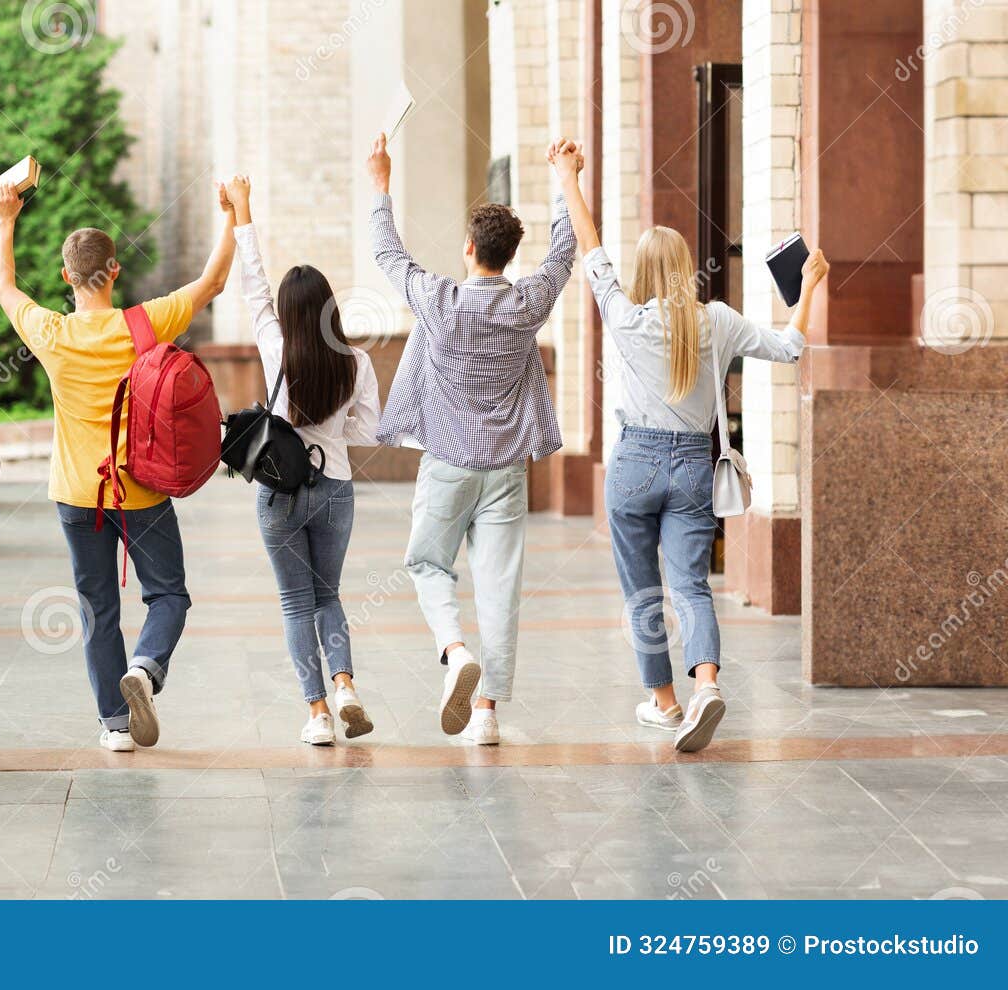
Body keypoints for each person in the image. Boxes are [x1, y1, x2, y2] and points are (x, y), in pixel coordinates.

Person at [552, 139, 828, 753]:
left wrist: (568, 175)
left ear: (645, 273)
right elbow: (788, 348)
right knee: (691, 585)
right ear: (684, 269)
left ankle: (665, 702)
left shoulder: (624, 315)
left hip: (632, 466)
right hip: (691, 468)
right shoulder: (719, 320)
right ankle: (706, 686)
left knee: (642, 590)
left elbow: (589, 243)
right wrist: (808, 285)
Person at [0, 179, 237, 752]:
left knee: (98, 608)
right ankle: (146, 669)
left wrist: (6, 218)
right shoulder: (144, 325)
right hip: (143, 489)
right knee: (168, 595)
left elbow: (2, 285)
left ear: (65, 277)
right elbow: (214, 282)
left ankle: (114, 725)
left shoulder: (51, 332)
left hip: (77, 495)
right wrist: (230, 214)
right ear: (115, 271)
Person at [364, 133, 576, 746]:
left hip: (450, 462)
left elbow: (388, 255)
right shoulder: (527, 303)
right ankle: (485, 712)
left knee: (427, 561)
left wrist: (381, 182)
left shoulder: (439, 300)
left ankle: (455, 652)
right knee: (501, 584)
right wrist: (565, 180)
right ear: (509, 256)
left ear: (468, 249)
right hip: (508, 467)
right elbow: (563, 253)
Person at [224, 176, 382, 746]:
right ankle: (345, 685)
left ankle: (317, 715)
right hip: (336, 487)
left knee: (295, 602)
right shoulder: (356, 362)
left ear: (289, 315)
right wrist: (334, 429)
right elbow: (369, 428)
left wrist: (243, 210)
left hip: (280, 489)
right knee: (328, 596)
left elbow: (254, 289)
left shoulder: (275, 348)